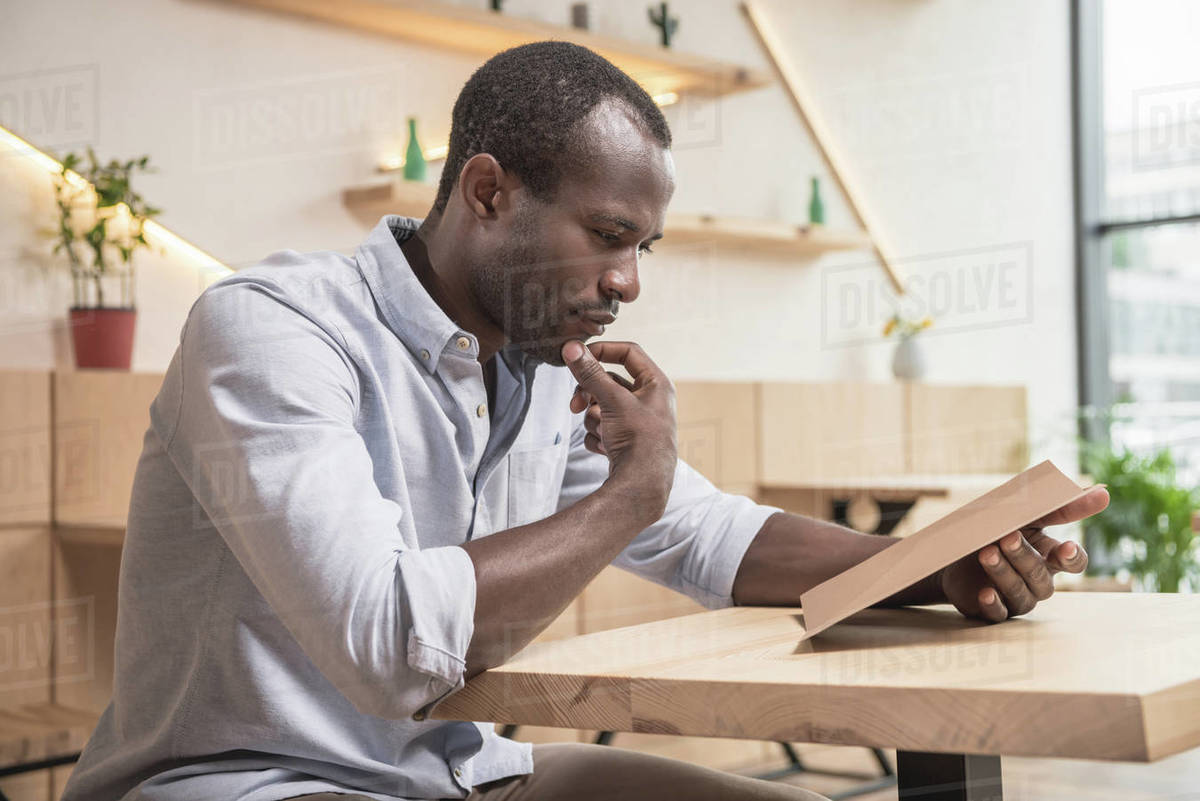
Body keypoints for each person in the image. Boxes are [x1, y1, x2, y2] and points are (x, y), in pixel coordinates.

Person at [59, 41, 1108, 801]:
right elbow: (385, 643)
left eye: (644, 246)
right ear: (485, 192)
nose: (629, 282)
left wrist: (927, 567)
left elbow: (706, 534)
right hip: (246, 783)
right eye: (609, 235)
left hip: (465, 772)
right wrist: (629, 494)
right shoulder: (274, 330)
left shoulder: (531, 369)